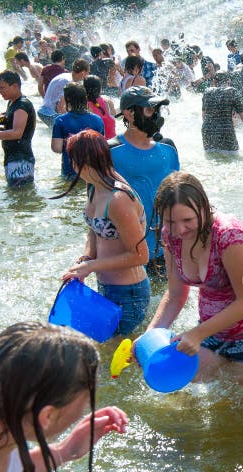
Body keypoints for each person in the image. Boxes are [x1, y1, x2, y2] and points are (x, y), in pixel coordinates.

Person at [147, 172, 243, 388]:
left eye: (188, 220)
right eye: (170, 221)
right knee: (183, 386)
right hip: (212, 330)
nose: (179, 230)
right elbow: (175, 295)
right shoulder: (169, 235)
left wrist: (195, 334)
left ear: (204, 207)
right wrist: (149, 336)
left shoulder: (231, 237)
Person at [0, 321, 128, 472]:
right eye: (87, 398)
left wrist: (65, 451)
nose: (87, 407)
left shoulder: (5, 429)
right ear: (46, 416)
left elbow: (15, 467)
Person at [56, 130, 150, 334]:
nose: (71, 165)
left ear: (84, 162)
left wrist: (91, 266)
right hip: (106, 287)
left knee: (118, 359)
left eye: (72, 159)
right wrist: (85, 259)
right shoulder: (93, 187)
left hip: (129, 293)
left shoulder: (119, 199)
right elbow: (93, 231)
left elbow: (141, 255)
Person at [109, 86, 179, 276]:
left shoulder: (168, 147)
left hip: (167, 247)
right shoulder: (110, 151)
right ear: (129, 114)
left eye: (157, 110)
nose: (155, 115)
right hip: (129, 251)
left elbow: (178, 194)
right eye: (149, 110)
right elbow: (98, 204)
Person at [51, 83, 105, 180]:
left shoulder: (60, 121)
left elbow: (57, 148)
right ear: (85, 98)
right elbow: (103, 147)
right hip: (94, 172)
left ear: (67, 100)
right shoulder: (98, 120)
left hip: (70, 172)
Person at [0, 70, 36, 187]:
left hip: (21, 159)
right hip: (13, 157)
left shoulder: (22, 105)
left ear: (15, 86)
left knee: (21, 196)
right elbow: (11, 127)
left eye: (2, 87)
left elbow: (16, 133)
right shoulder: (12, 104)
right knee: (16, 195)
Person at [201, 72, 243, 154]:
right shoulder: (232, 92)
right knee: (232, 159)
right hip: (226, 131)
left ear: (214, 82)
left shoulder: (207, 92)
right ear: (228, 82)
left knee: (211, 158)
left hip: (207, 131)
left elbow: (204, 117)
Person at [38, 59, 89, 128]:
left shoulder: (66, 76)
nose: (87, 76)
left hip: (44, 111)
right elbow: (61, 106)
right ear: (83, 73)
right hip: (49, 113)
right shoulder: (67, 82)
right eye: (88, 73)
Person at [84, 75, 117, 139]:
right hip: (113, 143)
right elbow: (114, 116)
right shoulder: (108, 101)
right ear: (100, 88)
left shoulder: (85, 105)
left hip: (97, 145)